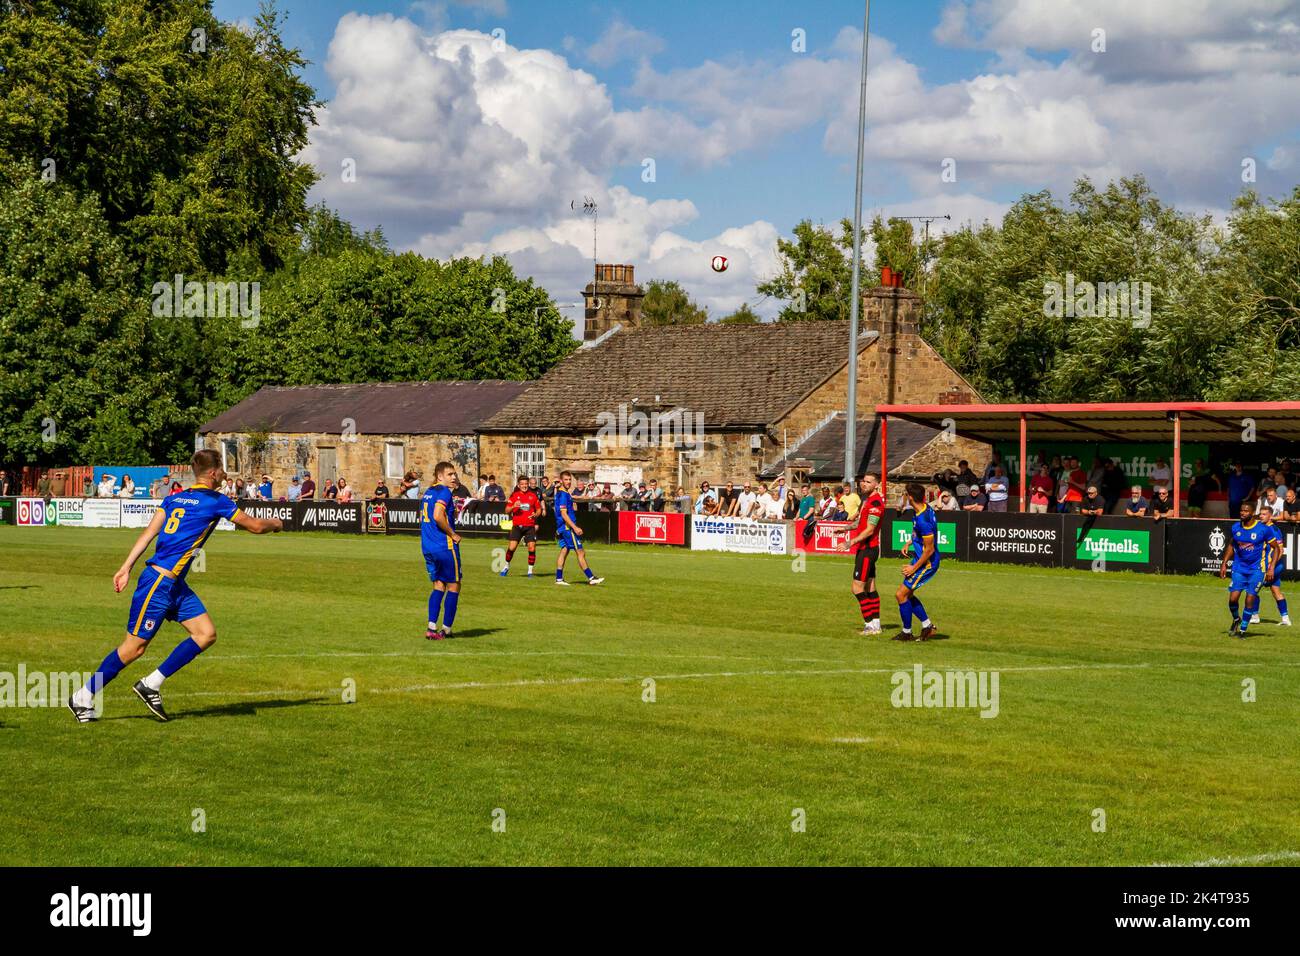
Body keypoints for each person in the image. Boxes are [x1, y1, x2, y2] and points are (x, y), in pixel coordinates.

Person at [66, 450, 284, 724]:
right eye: (223, 471)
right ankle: (83, 697)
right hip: (159, 583)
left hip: (174, 584)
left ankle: (150, 684)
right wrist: (276, 523)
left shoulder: (173, 498)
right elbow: (253, 526)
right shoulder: (216, 500)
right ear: (214, 473)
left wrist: (126, 567)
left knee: (205, 634)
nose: (226, 476)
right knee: (134, 648)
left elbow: (148, 533)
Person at [420, 462, 463, 640]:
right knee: (454, 585)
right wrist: (452, 533)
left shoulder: (429, 492)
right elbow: (438, 515)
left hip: (428, 546)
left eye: (454, 474)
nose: (454, 477)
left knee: (438, 585)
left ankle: (431, 627)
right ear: (440, 477)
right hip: (444, 546)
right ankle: (446, 630)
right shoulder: (444, 492)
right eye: (450, 474)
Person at [839, 474, 886, 635]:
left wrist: (849, 542)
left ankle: (869, 625)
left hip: (867, 550)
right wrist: (845, 528)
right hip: (866, 549)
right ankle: (876, 624)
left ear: (876, 485)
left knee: (857, 588)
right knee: (870, 586)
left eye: (868, 482)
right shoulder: (866, 500)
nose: (864, 484)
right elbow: (860, 523)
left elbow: (870, 529)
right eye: (863, 481)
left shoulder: (875, 503)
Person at [895, 482, 940, 642]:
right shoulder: (923, 509)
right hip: (923, 558)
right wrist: (910, 542)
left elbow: (930, 549)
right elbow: (920, 534)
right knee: (907, 594)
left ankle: (907, 632)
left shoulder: (923, 519)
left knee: (901, 594)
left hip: (927, 562)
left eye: (905, 494)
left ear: (911, 497)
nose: (903, 497)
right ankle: (927, 626)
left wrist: (913, 567)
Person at [1220, 500, 1271, 638]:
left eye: (1246, 511)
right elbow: (1232, 544)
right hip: (1239, 568)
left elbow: (1277, 548)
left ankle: (1242, 631)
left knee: (1249, 599)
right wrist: (1224, 563)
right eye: (1241, 510)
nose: (1242, 513)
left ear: (1253, 513)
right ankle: (1237, 619)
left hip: (1257, 569)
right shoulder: (1236, 527)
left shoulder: (1263, 529)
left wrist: (1271, 568)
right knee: (1233, 599)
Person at [554, 470, 603, 586]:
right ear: (561, 481)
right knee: (580, 552)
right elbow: (564, 514)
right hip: (567, 528)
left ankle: (559, 579)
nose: (568, 482)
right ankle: (591, 577)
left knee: (564, 551)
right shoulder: (563, 495)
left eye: (570, 479)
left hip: (562, 527)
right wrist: (574, 527)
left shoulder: (562, 494)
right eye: (566, 480)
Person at [1251, 506, 1291, 626]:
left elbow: (1280, 549)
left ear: (1270, 516)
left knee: (1253, 589)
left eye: (1264, 514)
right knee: (1275, 590)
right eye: (1260, 514)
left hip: (1271, 567)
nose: (1261, 516)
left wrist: (1271, 567)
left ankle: (1254, 615)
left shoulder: (1273, 529)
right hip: (1270, 566)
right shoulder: (1261, 527)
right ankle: (1286, 619)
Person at [500, 476, 542, 578]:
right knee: (512, 547)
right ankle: (506, 566)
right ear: (519, 485)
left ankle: (530, 571)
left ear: (528, 484)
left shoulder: (533, 496)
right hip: (517, 526)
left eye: (526, 484)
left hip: (529, 526)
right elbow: (506, 510)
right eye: (522, 484)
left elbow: (539, 509)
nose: (524, 486)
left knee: (532, 548)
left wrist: (536, 514)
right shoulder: (514, 495)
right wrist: (514, 506)